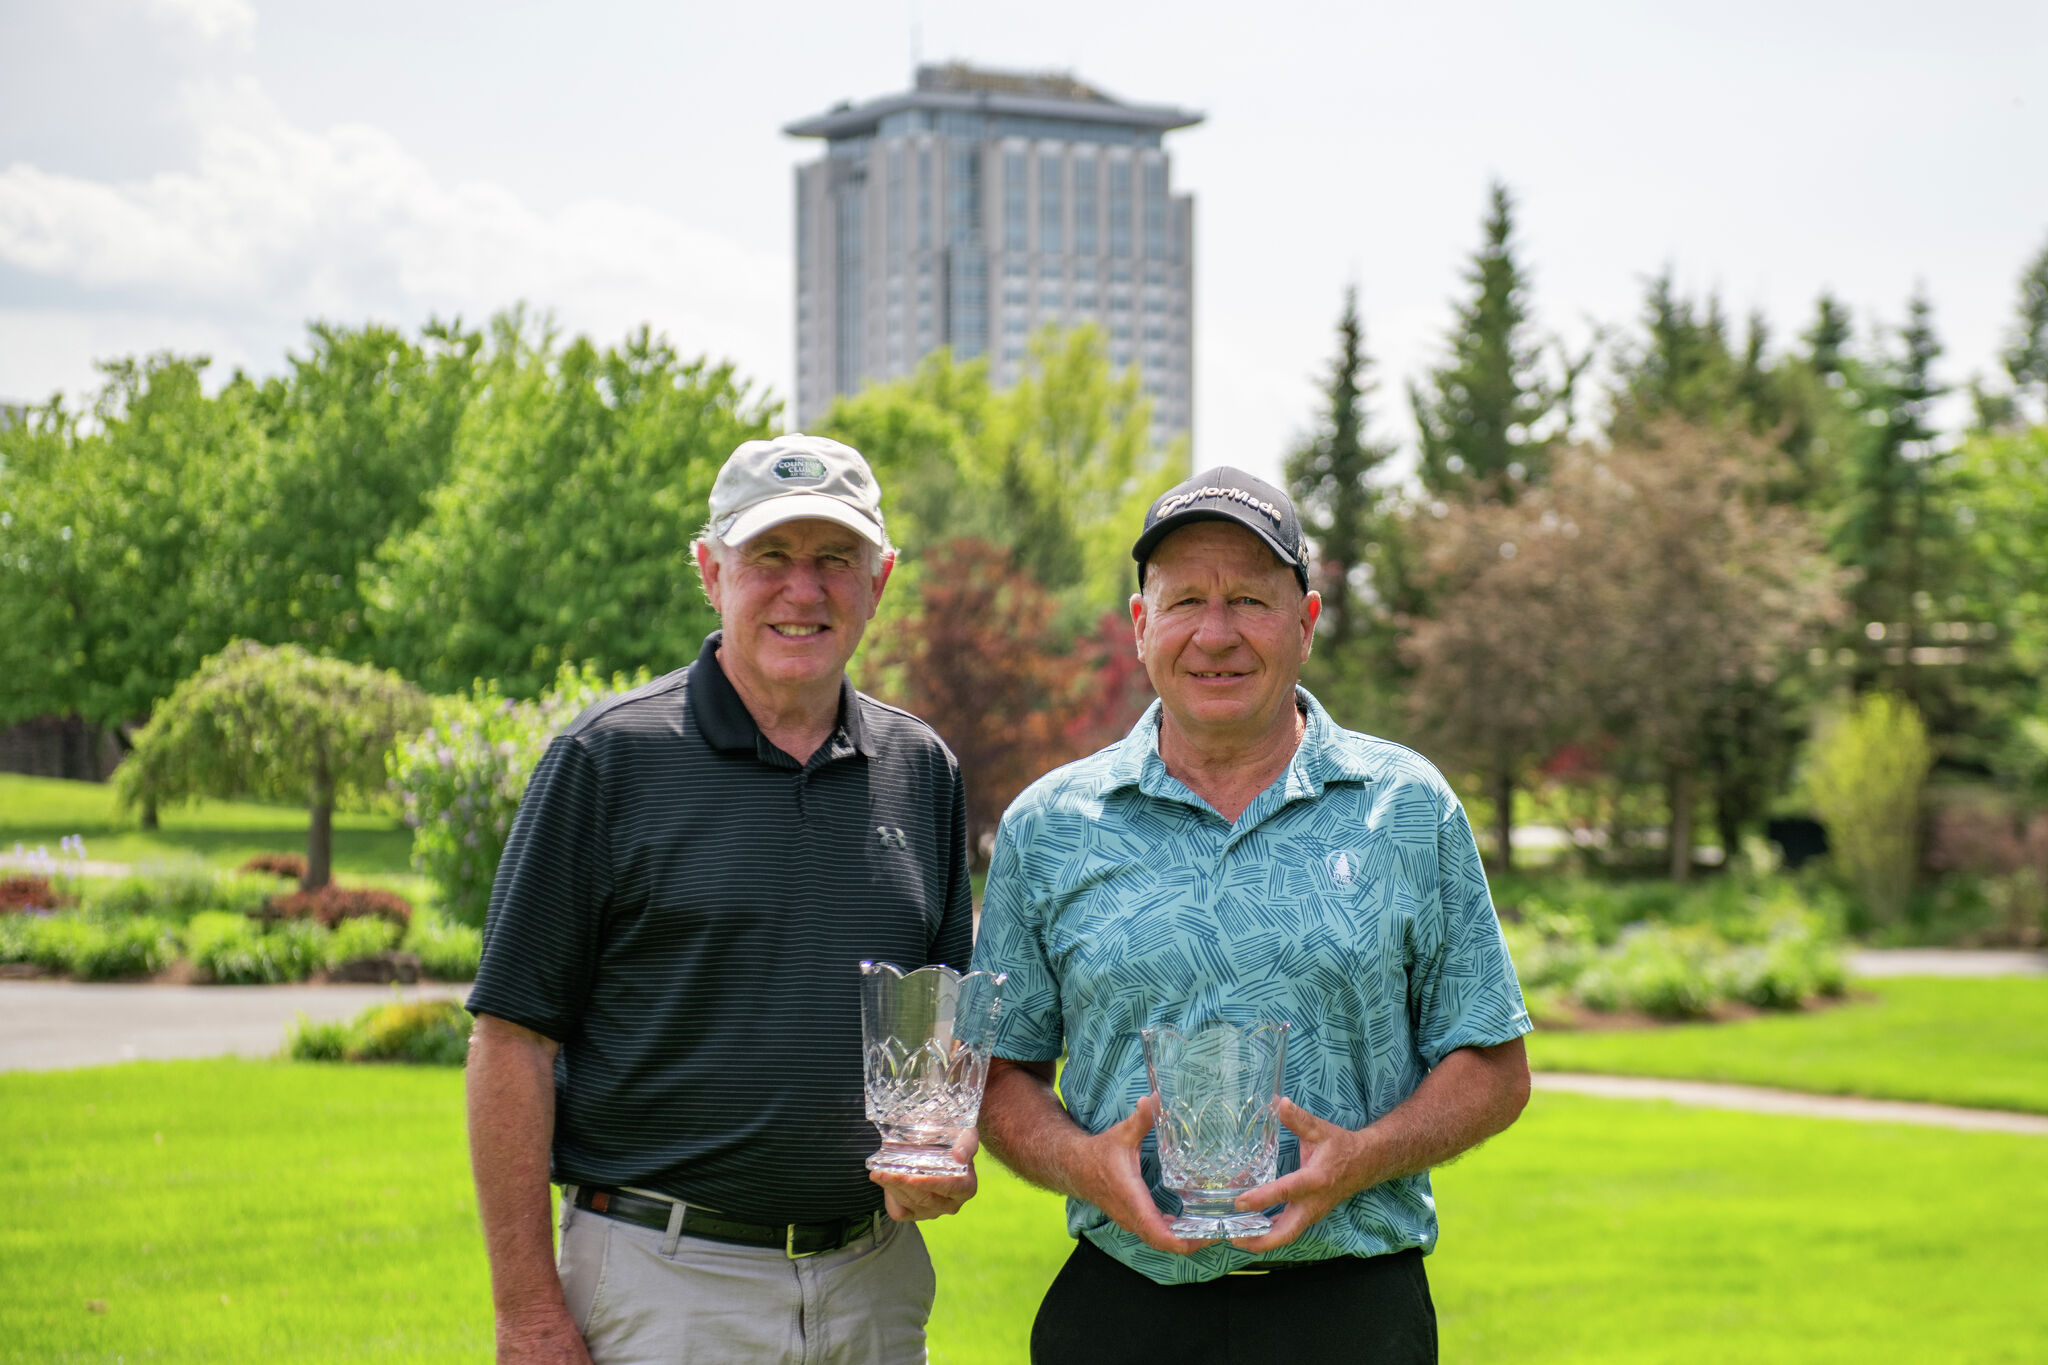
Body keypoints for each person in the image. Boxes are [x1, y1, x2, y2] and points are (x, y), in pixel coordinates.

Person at [972, 467, 1532, 1364]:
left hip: (1353, 1314)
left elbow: (1494, 1066)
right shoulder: (1050, 826)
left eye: (1250, 600)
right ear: (1140, 623)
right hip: (1122, 1311)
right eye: (1186, 598)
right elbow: (997, 1073)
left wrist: (1366, 1154)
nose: (1217, 633)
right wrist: (1084, 1164)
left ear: (1305, 623)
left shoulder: (1406, 805)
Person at [464, 434, 978, 1365]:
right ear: (711, 571)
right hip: (666, 1287)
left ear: (881, 577)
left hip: (873, 1283)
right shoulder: (606, 760)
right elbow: (511, 1041)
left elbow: (948, 1030)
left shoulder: (922, 771)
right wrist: (529, 1313)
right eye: (769, 557)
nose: (803, 589)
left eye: (834, 559)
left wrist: (946, 1146)